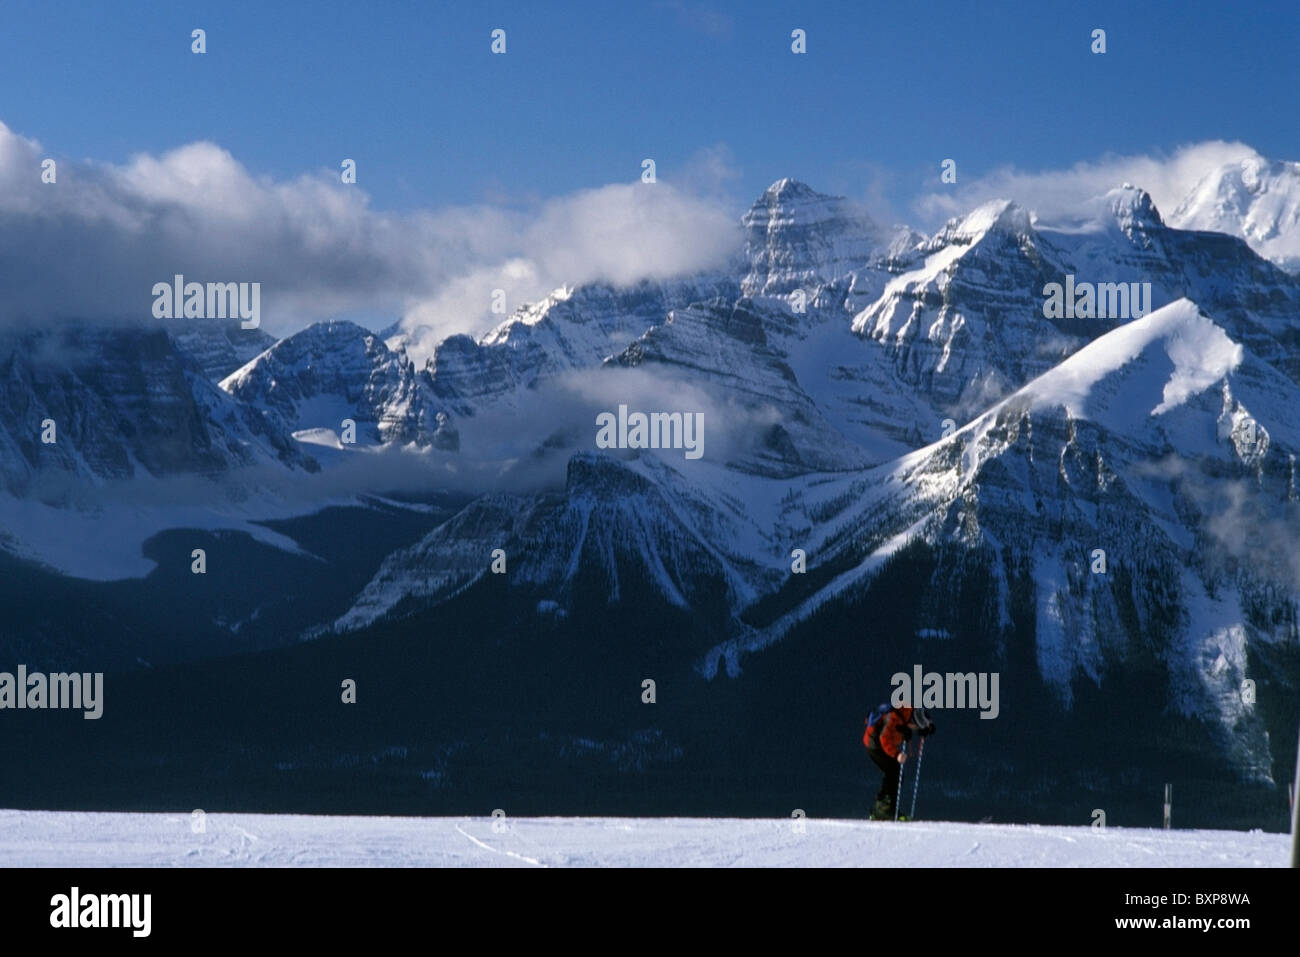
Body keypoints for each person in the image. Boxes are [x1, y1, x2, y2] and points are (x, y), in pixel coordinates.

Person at [863, 704, 935, 820]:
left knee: (893, 772)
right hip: (875, 745)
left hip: (878, 743)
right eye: (916, 727)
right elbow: (884, 738)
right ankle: (884, 809)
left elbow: (918, 720)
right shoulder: (894, 717)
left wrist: (928, 727)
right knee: (893, 771)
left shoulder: (906, 714)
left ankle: (883, 808)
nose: (915, 729)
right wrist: (897, 755)